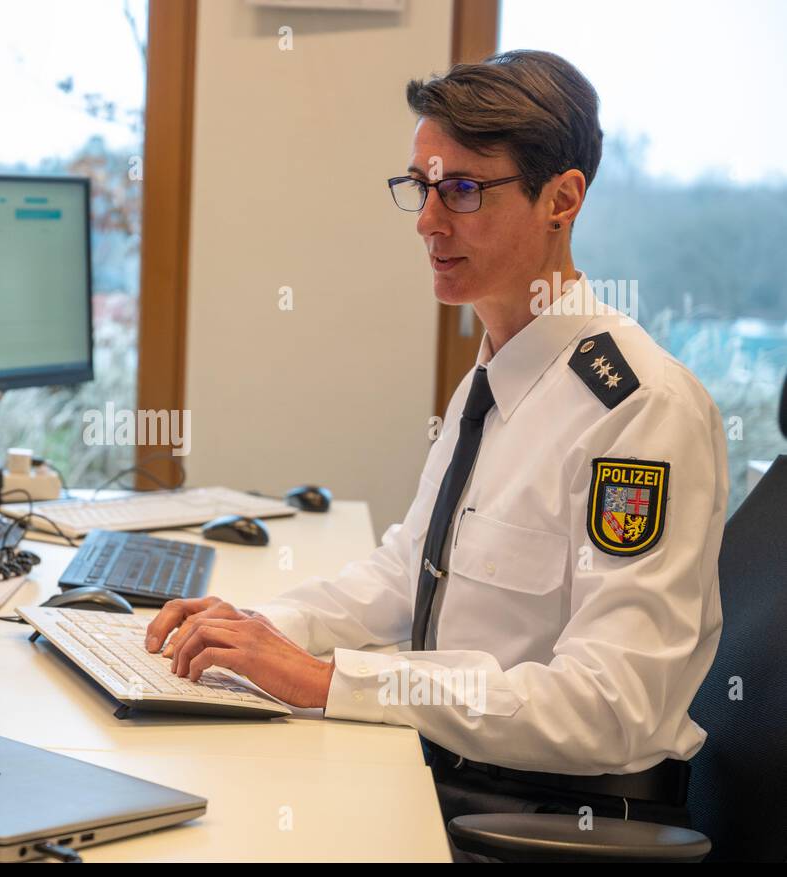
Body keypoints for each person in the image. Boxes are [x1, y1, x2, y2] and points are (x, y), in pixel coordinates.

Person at [143, 50, 728, 836]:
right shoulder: (495, 372)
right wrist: (260, 628)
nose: (427, 221)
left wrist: (332, 682)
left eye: (462, 191)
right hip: (442, 768)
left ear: (562, 198)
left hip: (543, 821)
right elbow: (406, 572)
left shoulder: (638, 411)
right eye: (421, 187)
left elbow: (608, 706)